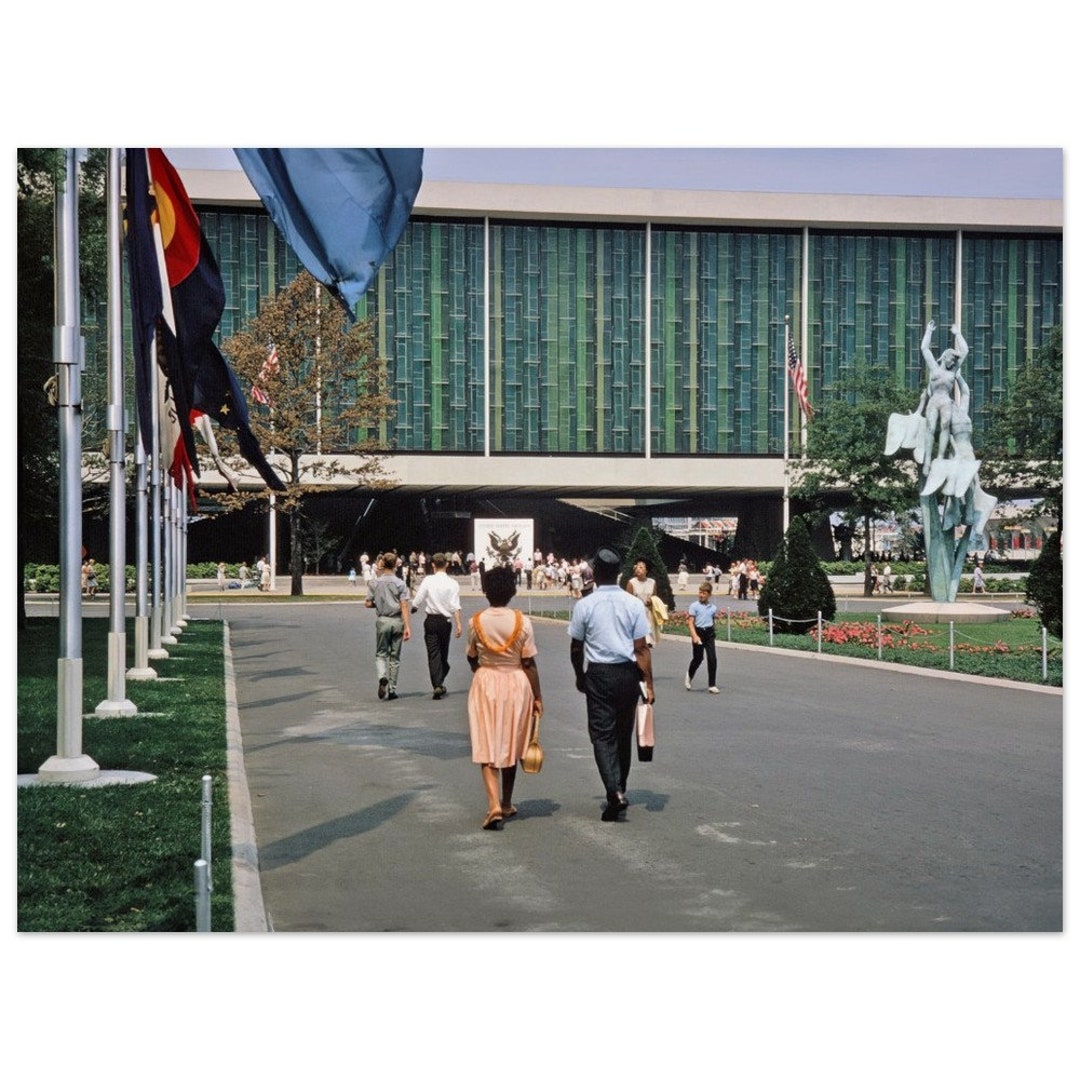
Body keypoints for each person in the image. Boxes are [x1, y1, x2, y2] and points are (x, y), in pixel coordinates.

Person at [569, 546, 655, 822]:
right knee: (622, 734)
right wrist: (649, 685)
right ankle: (620, 787)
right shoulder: (633, 604)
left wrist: (579, 675)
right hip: (628, 674)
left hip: (599, 674)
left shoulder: (585, 605)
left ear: (594, 572)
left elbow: (576, 647)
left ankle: (614, 792)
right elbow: (642, 649)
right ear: (619, 573)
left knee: (602, 735)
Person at [465, 566, 543, 831]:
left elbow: (471, 656)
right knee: (512, 740)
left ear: (485, 590)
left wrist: (482, 670)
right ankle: (507, 802)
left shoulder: (475, 621)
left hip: (486, 682)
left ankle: (494, 804)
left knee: (487, 740)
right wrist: (538, 697)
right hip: (517, 683)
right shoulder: (522, 621)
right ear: (512, 591)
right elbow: (529, 662)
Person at [918, 319, 968, 474]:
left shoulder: (952, 372)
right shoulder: (934, 368)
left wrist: (958, 334)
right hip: (934, 401)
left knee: (945, 425)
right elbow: (924, 348)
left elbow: (965, 351)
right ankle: (927, 460)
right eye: (951, 359)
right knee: (931, 427)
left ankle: (939, 457)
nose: (953, 362)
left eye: (954, 360)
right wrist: (929, 331)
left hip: (946, 401)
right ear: (945, 357)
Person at [410, 552, 463, 699]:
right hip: (445, 622)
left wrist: (414, 606)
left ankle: (437, 683)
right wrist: (459, 624)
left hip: (431, 621)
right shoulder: (453, 583)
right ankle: (439, 680)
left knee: (433, 653)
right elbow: (455, 605)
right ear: (446, 564)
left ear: (433, 565)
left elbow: (419, 596)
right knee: (443, 652)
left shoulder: (428, 580)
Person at [366, 551, 412, 700]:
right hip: (397, 620)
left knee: (381, 653)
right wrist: (407, 626)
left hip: (383, 619)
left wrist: (378, 604)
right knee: (395, 657)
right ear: (395, 566)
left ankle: (382, 677)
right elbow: (404, 605)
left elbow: (367, 603)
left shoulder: (374, 583)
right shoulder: (400, 584)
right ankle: (392, 689)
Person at [685, 581, 719, 693]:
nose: (701, 595)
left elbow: (713, 620)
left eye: (704, 593)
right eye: (700, 592)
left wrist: (714, 629)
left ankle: (712, 685)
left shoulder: (713, 607)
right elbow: (690, 622)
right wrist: (694, 636)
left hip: (709, 634)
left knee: (712, 658)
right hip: (698, 633)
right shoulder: (694, 606)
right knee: (698, 658)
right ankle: (689, 675)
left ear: (709, 594)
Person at [624, 557, 657, 646]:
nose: (638, 569)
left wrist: (651, 601)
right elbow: (627, 601)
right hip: (636, 614)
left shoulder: (652, 582)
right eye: (637, 567)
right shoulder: (631, 583)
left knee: (646, 643)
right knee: (639, 642)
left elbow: (654, 598)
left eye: (641, 567)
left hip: (648, 613)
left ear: (647, 570)